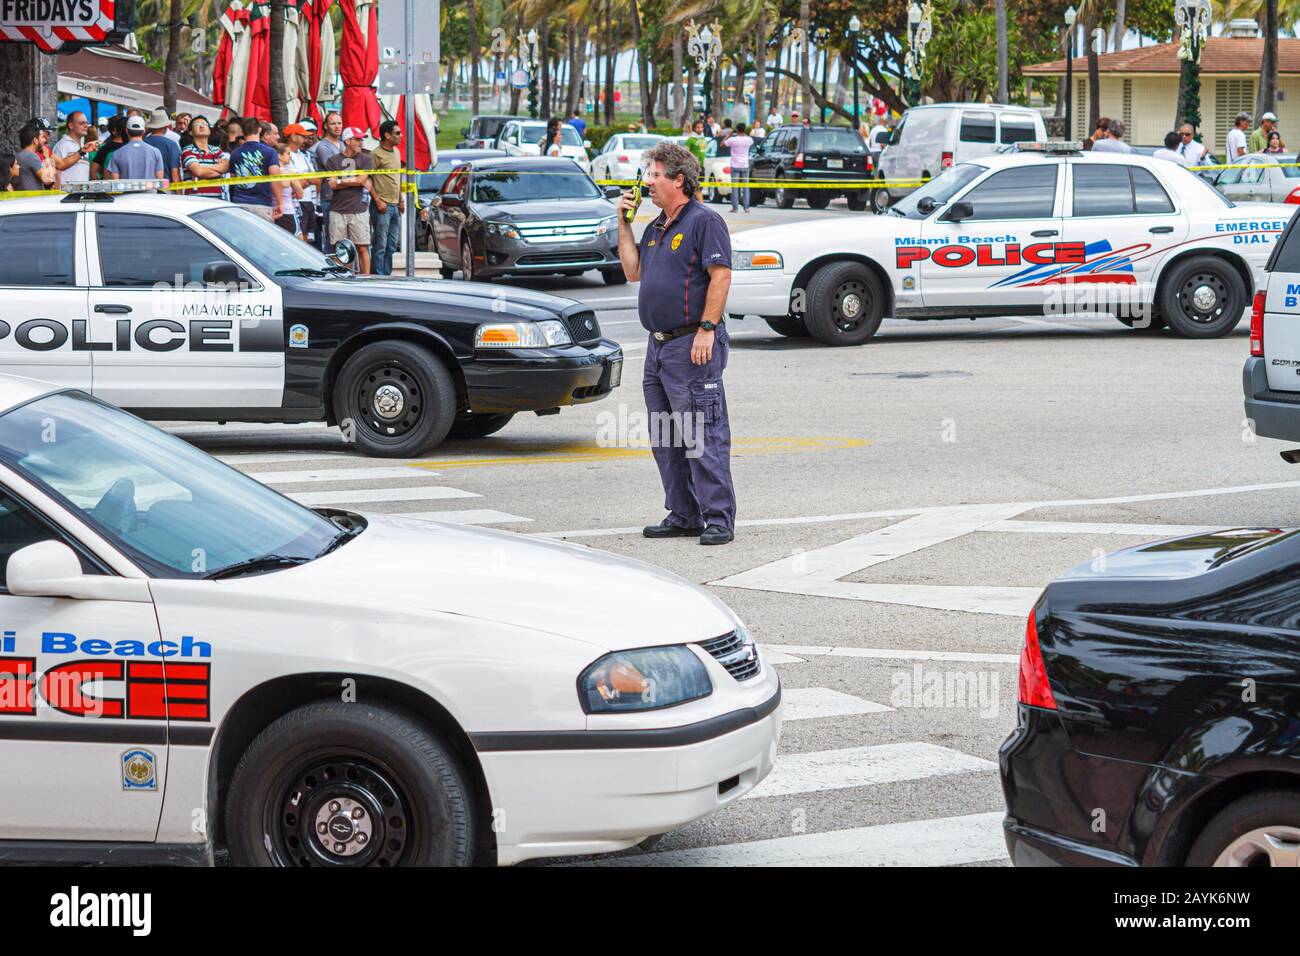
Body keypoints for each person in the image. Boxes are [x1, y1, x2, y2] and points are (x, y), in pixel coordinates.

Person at [615, 141, 736, 546]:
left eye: (655, 175)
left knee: (702, 430)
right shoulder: (655, 227)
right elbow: (633, 271)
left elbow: (720, 276)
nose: (648, 182)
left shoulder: (704, 221)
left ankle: (718, 517)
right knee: (666, 435)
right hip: (659, 347)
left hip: (691, 343)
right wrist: (624, 222)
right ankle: (684, 513)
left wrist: (706, 328)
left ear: (679, 180)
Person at [324, 126, 373, 274]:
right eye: (358, 139)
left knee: (363, 247)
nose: (361, 142)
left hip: (359, 209)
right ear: (347, 141)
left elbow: (361, 180)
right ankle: (344, 281)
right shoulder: (333, 160)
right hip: (337, 210)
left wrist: (341, 181)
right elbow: (332, 184)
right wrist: (354, 180)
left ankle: (366, 281)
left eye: (362, 139)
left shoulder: (366, 159)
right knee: (341, 249)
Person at [228, 115, 282, 219]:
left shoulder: (235, 153)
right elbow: (275, 178)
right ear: (259, 130)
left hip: (239, 203)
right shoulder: (270, 152)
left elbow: (233, 178)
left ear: (243, 132)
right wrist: (280, 203)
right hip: (262, 204)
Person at [368, 120, 404, 276]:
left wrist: (401, 199)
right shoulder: (375, 154)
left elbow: (397, 177)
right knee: (380, 245)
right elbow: (367, 179)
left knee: (392, 245)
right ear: (387, 135)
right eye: (397, 133)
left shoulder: (397, 152)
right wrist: (377, 201)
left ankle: (387, 275)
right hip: (381, 205)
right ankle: (377, 276)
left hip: (395, 205)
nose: (401, 136)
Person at [313, 111, 344, 251]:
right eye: (333, 123)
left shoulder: (344, 144)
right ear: (325, 126)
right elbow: (332, 166)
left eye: (339, 123)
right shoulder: (322, 146)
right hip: (329, 196)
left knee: (343, 236)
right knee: (332, 236)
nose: (337, 126)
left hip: (345, 195)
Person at [106, 115, 166, 187]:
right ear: (144, 131)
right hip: (150, 196)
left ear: (127, 131)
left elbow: (115, 183)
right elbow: (160, 180)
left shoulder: (116, 154)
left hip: (126, 197)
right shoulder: (155, 152)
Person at [284, 123, 318, 244]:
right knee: (299, 238)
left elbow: (316, 178)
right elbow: (293, 182)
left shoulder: (304, 155)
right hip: (296, 203)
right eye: (302, 135)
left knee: (308, 238)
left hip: (309, 201)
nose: (305, 138)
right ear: (293, 136)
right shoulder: (285, 155)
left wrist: (304, 180)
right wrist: (306, 180)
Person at [180, 115, 230, 198]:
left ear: (209, 130)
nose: (202, 126)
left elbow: (226, 167)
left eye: (205, 124)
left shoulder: (217, 150)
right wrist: (219, 169)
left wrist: (204, 169)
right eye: (197, 124)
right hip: (195, 201)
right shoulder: (187, 150)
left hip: (217, 200)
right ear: (191, 132)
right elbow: (198, 172)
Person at [52, 111, 95, 185]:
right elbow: (56, 172)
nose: (86, 126)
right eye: (82, 123)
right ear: (71, 125)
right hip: (65, 195)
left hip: (81, 194)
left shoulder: (85, 147)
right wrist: (58, 195)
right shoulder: (62, 145)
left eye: (86, 123)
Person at [723, 121, 753, 213]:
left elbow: (722, 144)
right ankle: (746, 207)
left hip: (735, 165)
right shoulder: (749, 139)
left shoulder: (733, 140)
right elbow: (750, 141)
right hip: (745, 165)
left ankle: (735, 208)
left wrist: (728, 135)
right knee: (746, 187)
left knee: (735, 187)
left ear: (737, 130)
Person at [144, 109, 182, 183]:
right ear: (166, 125)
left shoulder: (144, 142)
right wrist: (179, 193)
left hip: (145, 188)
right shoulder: (171, 144)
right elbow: (175, 171)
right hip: (166, 189)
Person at [274, 142, 303, 233]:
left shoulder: (269, 172)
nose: (290, 156)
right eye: (288, 153)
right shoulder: (289, 173)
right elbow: (300, 194)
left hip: (272, 213)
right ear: (279, 156)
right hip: (288, 212)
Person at [15, 124, 53, 191]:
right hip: (33, 200)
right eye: (42, 137)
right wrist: (47, 158)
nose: (45, 140)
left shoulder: (18, 156)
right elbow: (48, 180)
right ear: (35, 140)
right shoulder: (32, 157)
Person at [89, 115, 126, 180]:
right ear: (114, 130)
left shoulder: (105, 148)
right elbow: (93, 170)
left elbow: (93, 170)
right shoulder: (105, 148)